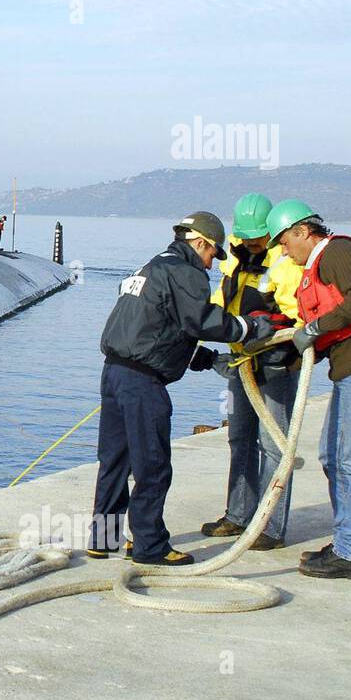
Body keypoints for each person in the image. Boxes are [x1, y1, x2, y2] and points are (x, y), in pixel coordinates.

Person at [87, 211, 274, 565]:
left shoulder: (152, 265)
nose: (211, 264)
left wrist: (192, 355)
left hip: (114, 373)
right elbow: (201, 320)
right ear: (200, 242)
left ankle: (105, 538)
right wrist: (249, 327)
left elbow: (154, 323)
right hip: (143, 382)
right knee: (152, 465)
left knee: (115, 459)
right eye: (212, 254)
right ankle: (151, 547)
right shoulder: (185, 271)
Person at [268, 199, 351, 579]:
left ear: (302, 231)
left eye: (284, 241)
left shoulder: (337, 252)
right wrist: (284, 358)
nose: (283, 249)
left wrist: (313, 329)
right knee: (333, 457)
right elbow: (335, 327)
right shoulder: (320, 263)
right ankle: (347, 539)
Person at [198, 194, 304, 550]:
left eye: (258, 237)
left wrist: (281, 344)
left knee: (274, 443)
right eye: (247, 237)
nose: (252, 243)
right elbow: (221, 300)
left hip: (276, 362)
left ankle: (270, 528)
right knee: (239, 437)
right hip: (240, 361)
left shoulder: (285, 260)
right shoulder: (237, 256)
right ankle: (239, 515)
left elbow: (298, 314)